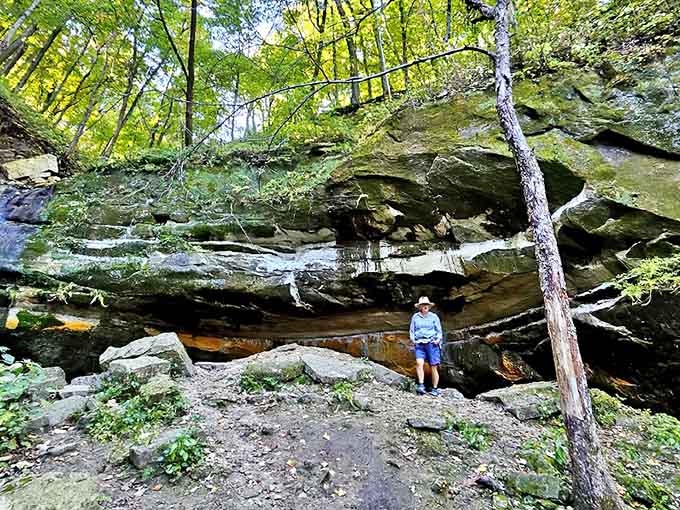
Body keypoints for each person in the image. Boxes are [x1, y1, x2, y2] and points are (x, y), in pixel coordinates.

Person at [409, 296, 443, 396]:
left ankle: (435, 388)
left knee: (433, 366)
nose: (425, 306)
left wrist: (438, 340)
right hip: (420, 343)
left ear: (429, 306)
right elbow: (412, 330)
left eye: (426, 305)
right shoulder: (415, 317)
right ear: (420, 307)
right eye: (423, 305)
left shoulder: (434, 317)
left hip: (432, 343)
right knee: (419, 363)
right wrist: (413, 340)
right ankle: (421, 385)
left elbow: (439, 331)